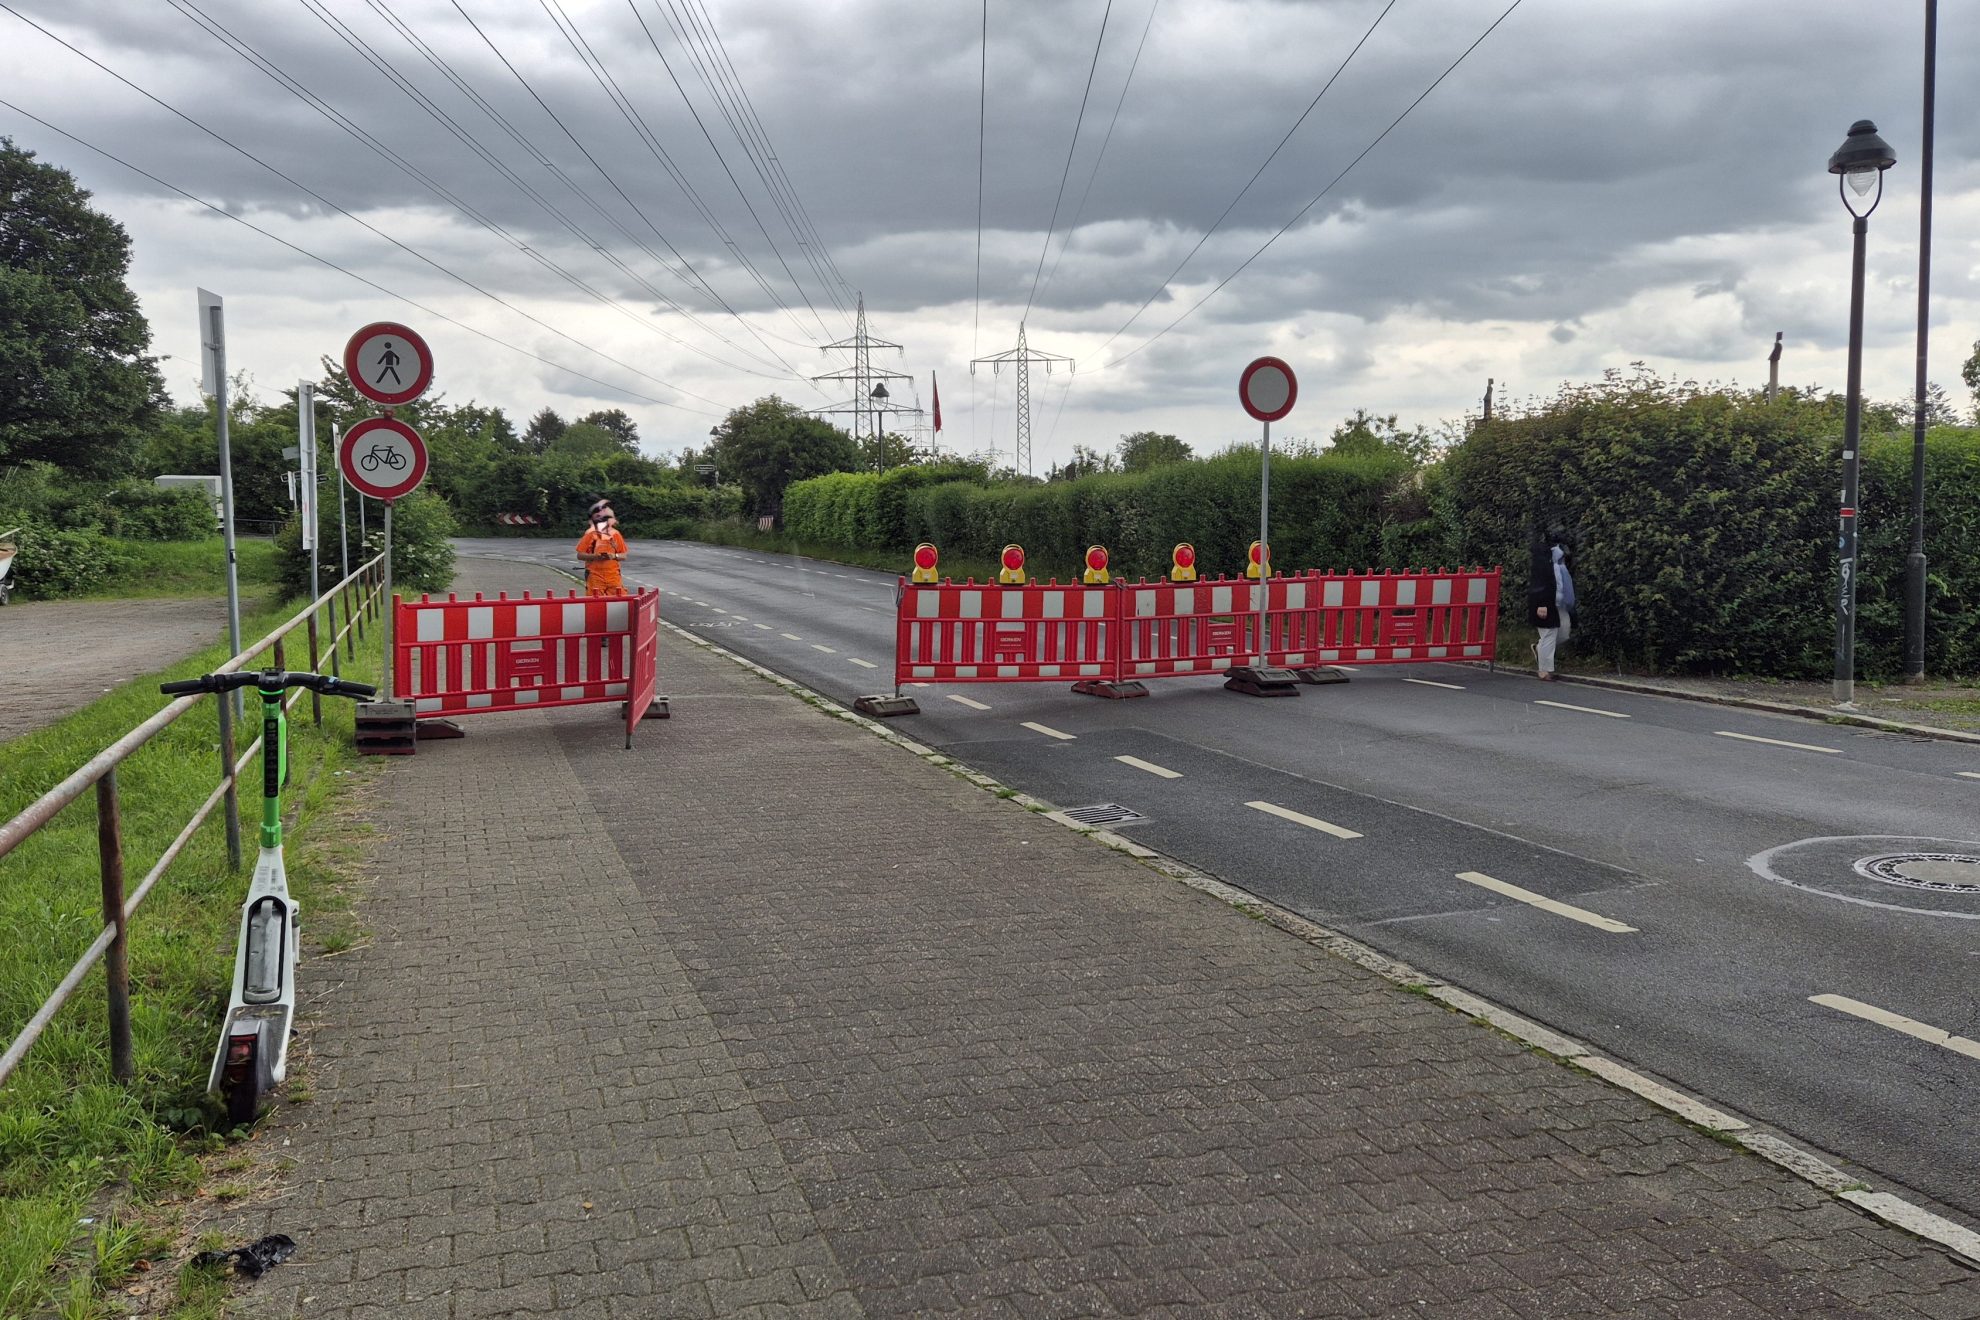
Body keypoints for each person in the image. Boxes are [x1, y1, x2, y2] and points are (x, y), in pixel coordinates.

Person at [1527, 532, 1576, 680]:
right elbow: (1539, 584)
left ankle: (1539, 648)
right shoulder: (1544, 561)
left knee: (1563, 633)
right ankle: (1545, 670)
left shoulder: (1558, 562)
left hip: (1558, 602)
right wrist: (1541, 604)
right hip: (1546, 603)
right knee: (1549, 633)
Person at [575, 503, 628, 596]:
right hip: (594, 575)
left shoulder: (616, 534)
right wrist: (595, 556)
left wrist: (614, 556)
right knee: (595, 603)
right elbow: (579, 555)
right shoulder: (590, 534)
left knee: (619, 600)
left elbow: (623, 556)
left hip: (613, 575)